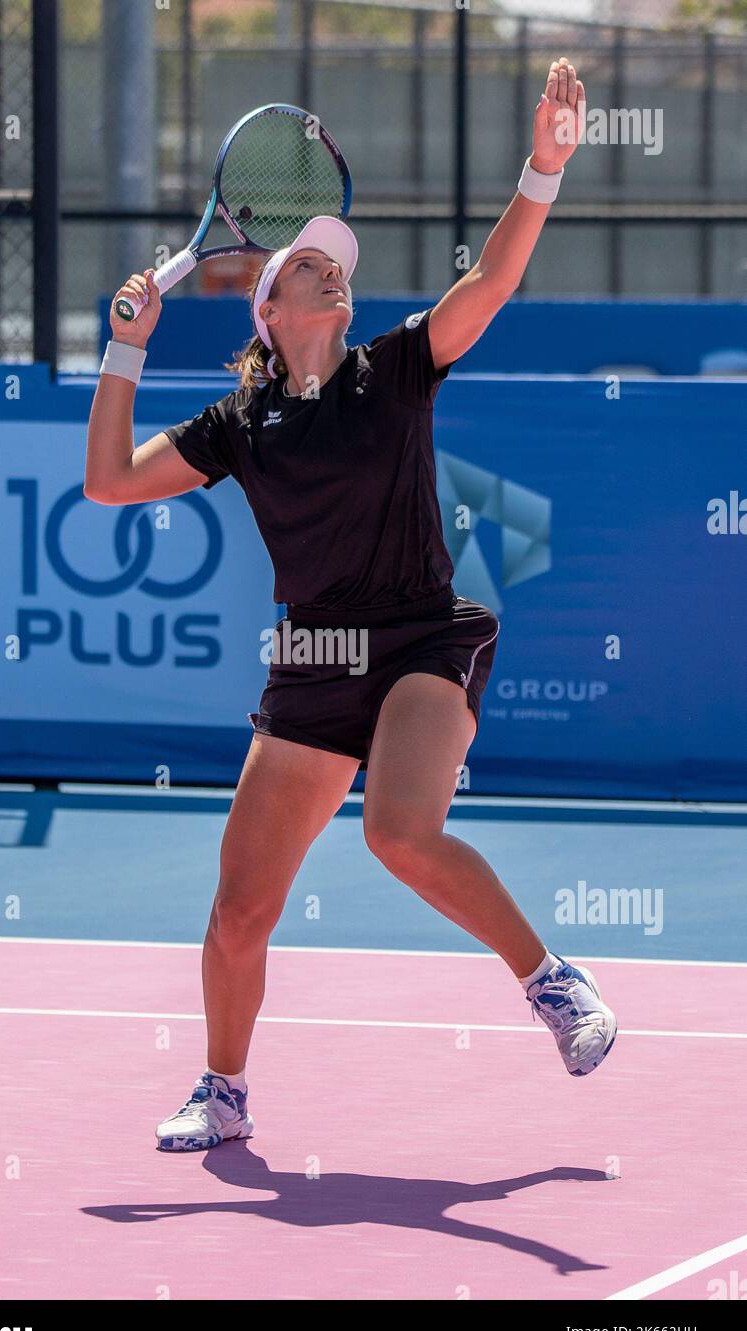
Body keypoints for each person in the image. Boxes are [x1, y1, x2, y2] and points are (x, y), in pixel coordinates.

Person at [84, 58, 616, 1154]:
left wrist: (542, 171)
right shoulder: (236, 423)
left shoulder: (396, 368)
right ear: (269, 307)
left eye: (338, 267)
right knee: (238, 912)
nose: (331, 275)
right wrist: (123, 348)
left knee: (397, 830)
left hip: (422, 633)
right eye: (307, 267)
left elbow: (491, 286)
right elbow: (107, 481)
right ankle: (223, 1090)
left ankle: (548, 980)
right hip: (313, 662)